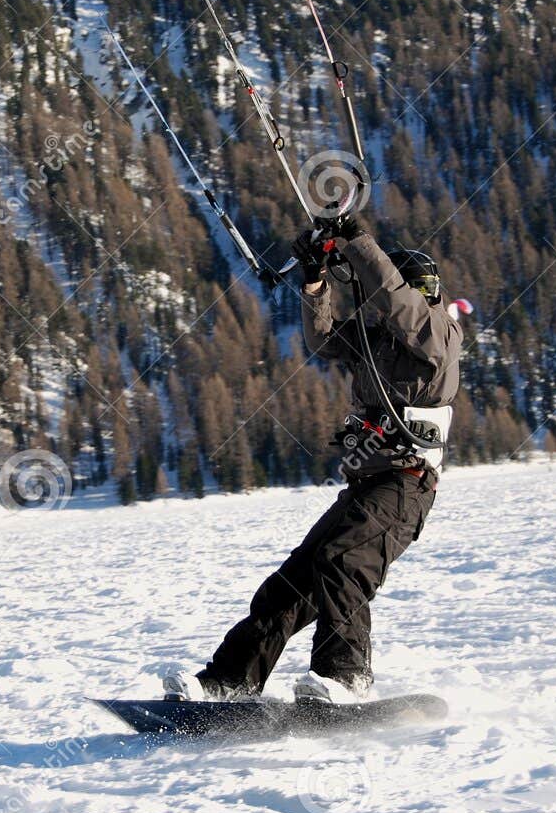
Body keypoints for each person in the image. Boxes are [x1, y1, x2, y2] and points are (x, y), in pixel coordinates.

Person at [165, 214, 467, 704]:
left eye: (376, 296)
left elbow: (393, 296)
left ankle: (345, 677)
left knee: (342, 562)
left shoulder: (437, 335)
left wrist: (356, 240)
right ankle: (229, 682)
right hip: (369, 484)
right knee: (289, 584)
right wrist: (315, 282)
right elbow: (324, 339)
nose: (371, 306)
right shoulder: (376, 341)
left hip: (406, 485)